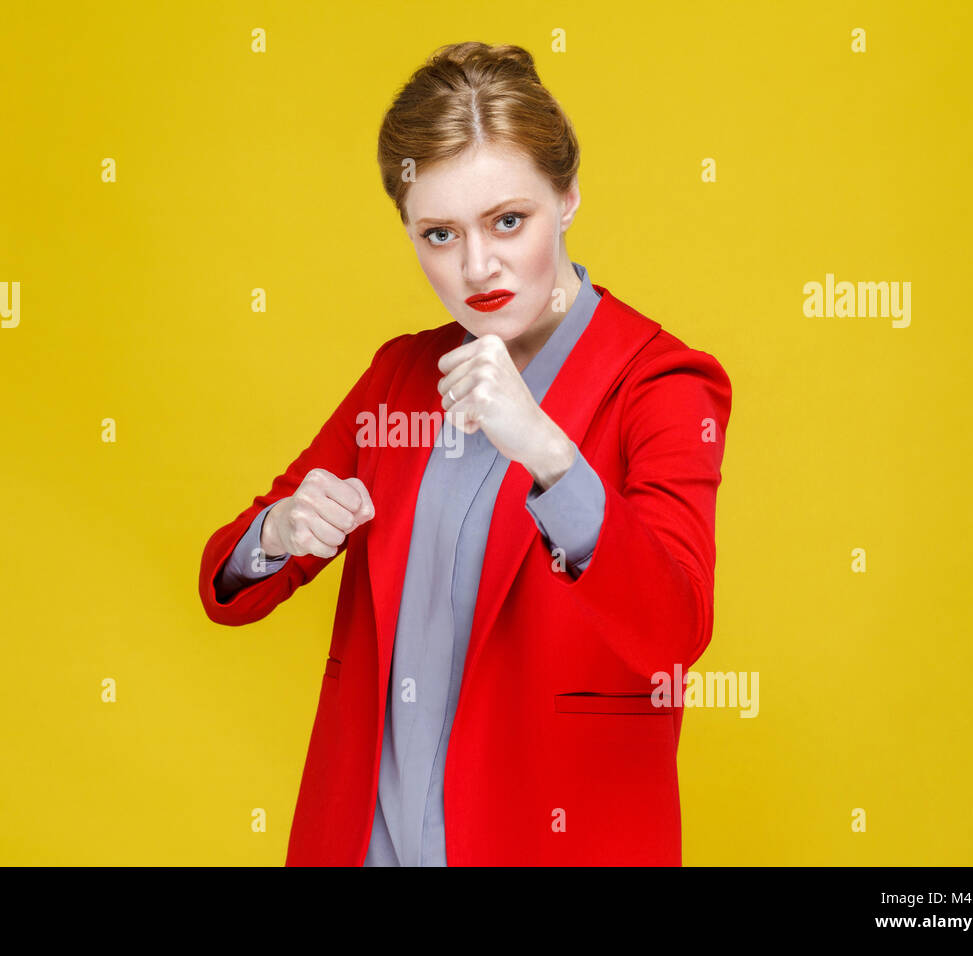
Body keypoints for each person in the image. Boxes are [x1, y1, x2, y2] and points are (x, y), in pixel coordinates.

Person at [199, 41, 732, 866]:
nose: (476, 266)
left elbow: (673, 631)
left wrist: (549, 453)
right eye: (439, 233)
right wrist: (281, 530)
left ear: (570, 193)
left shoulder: (661, 383)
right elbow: (226, 579)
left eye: (507, 221)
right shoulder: (400, 375)